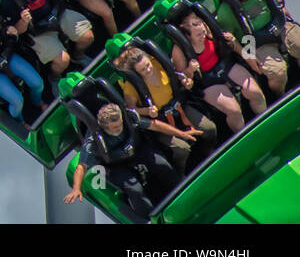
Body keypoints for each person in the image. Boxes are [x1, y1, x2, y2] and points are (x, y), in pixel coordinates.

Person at [64, 103, 194, 218]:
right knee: (135, 190)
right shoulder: (92, 141)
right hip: (114, 164)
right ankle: (149, 218)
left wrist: (181, 134)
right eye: (115, 127)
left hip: (135, 149)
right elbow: (82, 166)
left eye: (120, 124)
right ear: (104, 127)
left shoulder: (128, 117)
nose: (120, 128)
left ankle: (183, 195)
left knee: (162, 164)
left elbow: (155, 126)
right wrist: (76, 188)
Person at [113, 45, 217, 173]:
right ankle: (181, 172)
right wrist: (146, 111)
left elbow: (178, 76)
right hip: (160, 120)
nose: (148, 68)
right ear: (136, 73)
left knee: (209, 128)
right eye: (143, 69)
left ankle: (208, 152)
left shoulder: (158, 63)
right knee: (182, 148)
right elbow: (131, 111)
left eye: (147, 64)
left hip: (178, 108)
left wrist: (187, 80)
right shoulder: (131, 86)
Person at [169, 11, 267, 134]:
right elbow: (183, 78)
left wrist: (246, 55)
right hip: (207, 80)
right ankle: (243, 134)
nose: (203, 36)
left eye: (203, 30)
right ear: (187, 36)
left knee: (255, 93)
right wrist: (190, 70)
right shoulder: (179, 50)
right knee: (234, 111)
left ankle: (264, 121)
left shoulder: (209, 29)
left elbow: (233, 44)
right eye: (198, 35)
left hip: (225, 65)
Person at [213, 0, 299, 95]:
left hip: (277, 24)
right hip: (254, 41)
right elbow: (230, 40)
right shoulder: (225, 13)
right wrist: (248, 57)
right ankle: (280, 95)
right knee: (277, 73)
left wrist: (281, 6)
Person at [3, 0, 94, 74]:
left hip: (58, 13)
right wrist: (24, 21)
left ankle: (78, 57)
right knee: (63, 61)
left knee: (87, 37)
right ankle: (54, 77)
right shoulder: (9, 0)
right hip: (38, 30)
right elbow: (17, 30)